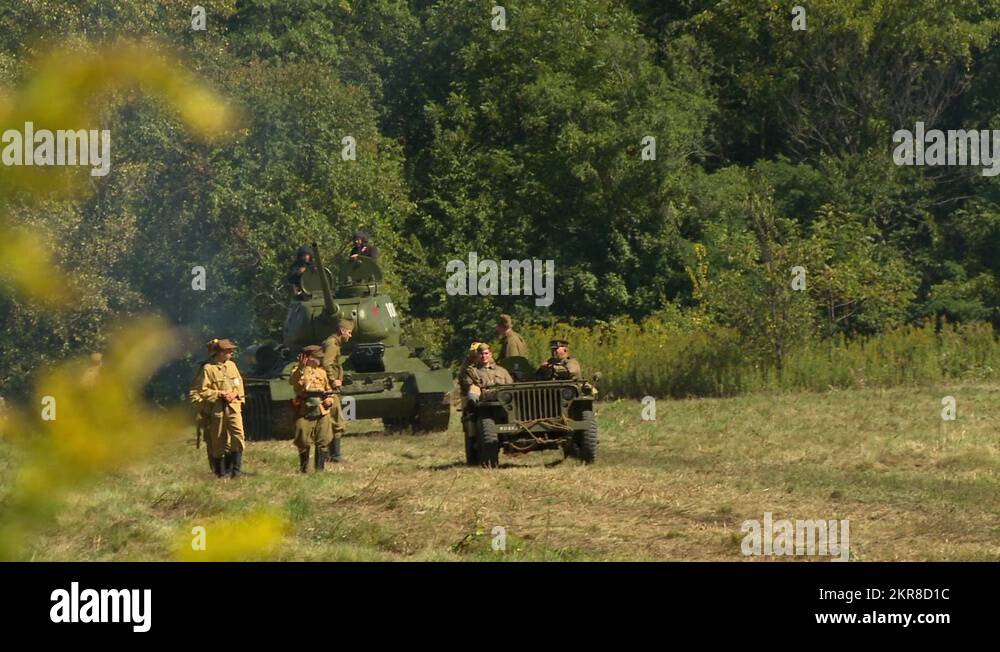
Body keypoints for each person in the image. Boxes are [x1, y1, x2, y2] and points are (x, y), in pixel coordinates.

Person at [189, 338, 246, 478]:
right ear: (220, 352)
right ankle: (221, 474)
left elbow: (239, 385)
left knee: (238, 436)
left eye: (232, 350)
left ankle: (236, 472)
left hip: (233, 407)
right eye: (228, 350)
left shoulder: (232, 366)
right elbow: (202, 390)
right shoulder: (208, 368)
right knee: (218, 440)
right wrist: (220, 394)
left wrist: (235, 394)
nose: (232, 352)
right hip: (217, 409)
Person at [289, 345, 336, 473]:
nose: (319, 360)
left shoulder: (322, 372)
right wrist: (301, 368)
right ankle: (304, 469)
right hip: (305, 410)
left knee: (323, 439)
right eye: (317, 358)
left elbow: (329, 390)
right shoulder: (298, 371)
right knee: (303, 440)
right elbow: (293, 382)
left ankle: (320, 470)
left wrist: (330, 400)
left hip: (321, 409)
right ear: (307, 358)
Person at [321, 318, 354, 463]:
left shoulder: (333, 343)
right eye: (349, 332)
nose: (350, 336)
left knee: (332, 419)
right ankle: (335, 455)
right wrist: (334, 380)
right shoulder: (332, 344)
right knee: (337, 420)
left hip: (329, 386)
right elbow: (327, 364)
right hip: (329, 387)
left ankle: (331, 454)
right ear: (342, 331)